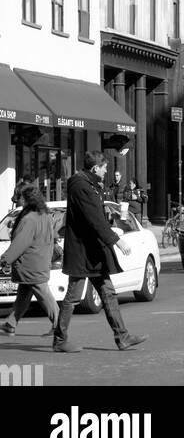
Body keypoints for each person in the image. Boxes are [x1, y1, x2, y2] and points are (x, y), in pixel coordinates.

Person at [51, 150, 145, 354]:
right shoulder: (82, 185)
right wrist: (116, 240)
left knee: (108, 293)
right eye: (104, 168)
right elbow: (94, 219)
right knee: (73, 297)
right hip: (83, 252)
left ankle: (122, 337)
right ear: (95, 168)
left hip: (93, 252)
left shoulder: (88, 184)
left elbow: (96, 217)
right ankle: (59, 339)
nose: (106, 172)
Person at [0, 185, 59, 337]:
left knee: (44, 295)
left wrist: (4, 259)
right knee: (23, 294)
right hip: (38, 260)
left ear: (27, 200)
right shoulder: (43, 214)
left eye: (19, 197)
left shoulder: (29, 219)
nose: (17, 200)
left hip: (31, 264)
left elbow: (20, 243)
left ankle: (59, 326)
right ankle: (10, 324)